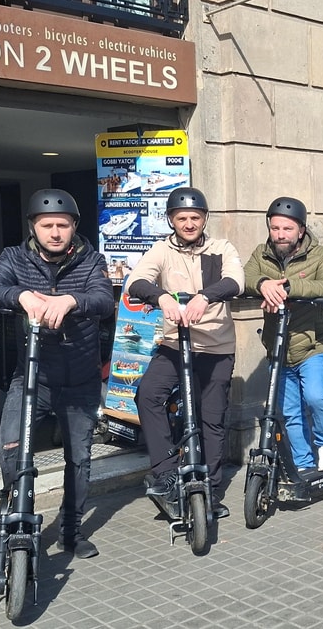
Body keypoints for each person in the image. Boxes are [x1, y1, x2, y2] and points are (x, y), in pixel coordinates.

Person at [0, 188, 115, 559]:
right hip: (32, 377)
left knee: (79, 459)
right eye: (47, 225)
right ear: (33, 227)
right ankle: (18, 514)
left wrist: (71, 300)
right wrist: (21, 296)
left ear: (74, 227)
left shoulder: (91, 259)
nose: (55, 232)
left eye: (62, 225)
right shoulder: (14, 258)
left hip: (81, 380)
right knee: (11, 448)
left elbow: (104, 300)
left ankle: (71, 530)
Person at [124, 187, 244, 519]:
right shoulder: (161, 249)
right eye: (182, 218)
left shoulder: (220, 248)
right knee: (148, 394)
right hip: (174, 344)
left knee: (212, 417)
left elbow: (236, 280)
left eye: (195, 218)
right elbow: (137, 281)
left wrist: (205, 297)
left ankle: (212, 490)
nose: (189, 224)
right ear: (171, 220)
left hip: (215, 346)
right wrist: (161, 297)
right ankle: (165, 474)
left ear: (204, 219)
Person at [243, 196, 323, 472]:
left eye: (287, 229)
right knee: (290, 412)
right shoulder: (261, 254)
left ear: (301, 229)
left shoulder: (320, 254)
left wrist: (286, 290)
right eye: (275, 228)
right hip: (278, 348)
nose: (280, 235)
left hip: (312, 344)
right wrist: (263, 284)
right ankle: (303, 463)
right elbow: (244, 278)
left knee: (315, 397)